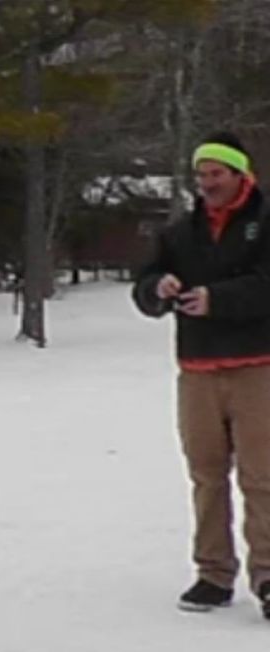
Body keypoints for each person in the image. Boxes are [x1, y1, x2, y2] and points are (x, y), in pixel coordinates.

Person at [134, 132, 270, 617]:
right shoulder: (179, 233)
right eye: (202, 174)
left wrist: (218, 300)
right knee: (206, 475)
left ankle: (268, 574)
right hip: (197, 370)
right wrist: (158, 288)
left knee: (262, 477)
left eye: (217, 174)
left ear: (240, 175)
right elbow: (144, 287)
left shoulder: (264, 222)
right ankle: (213, 574)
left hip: (258, 367)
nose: (207, 183)